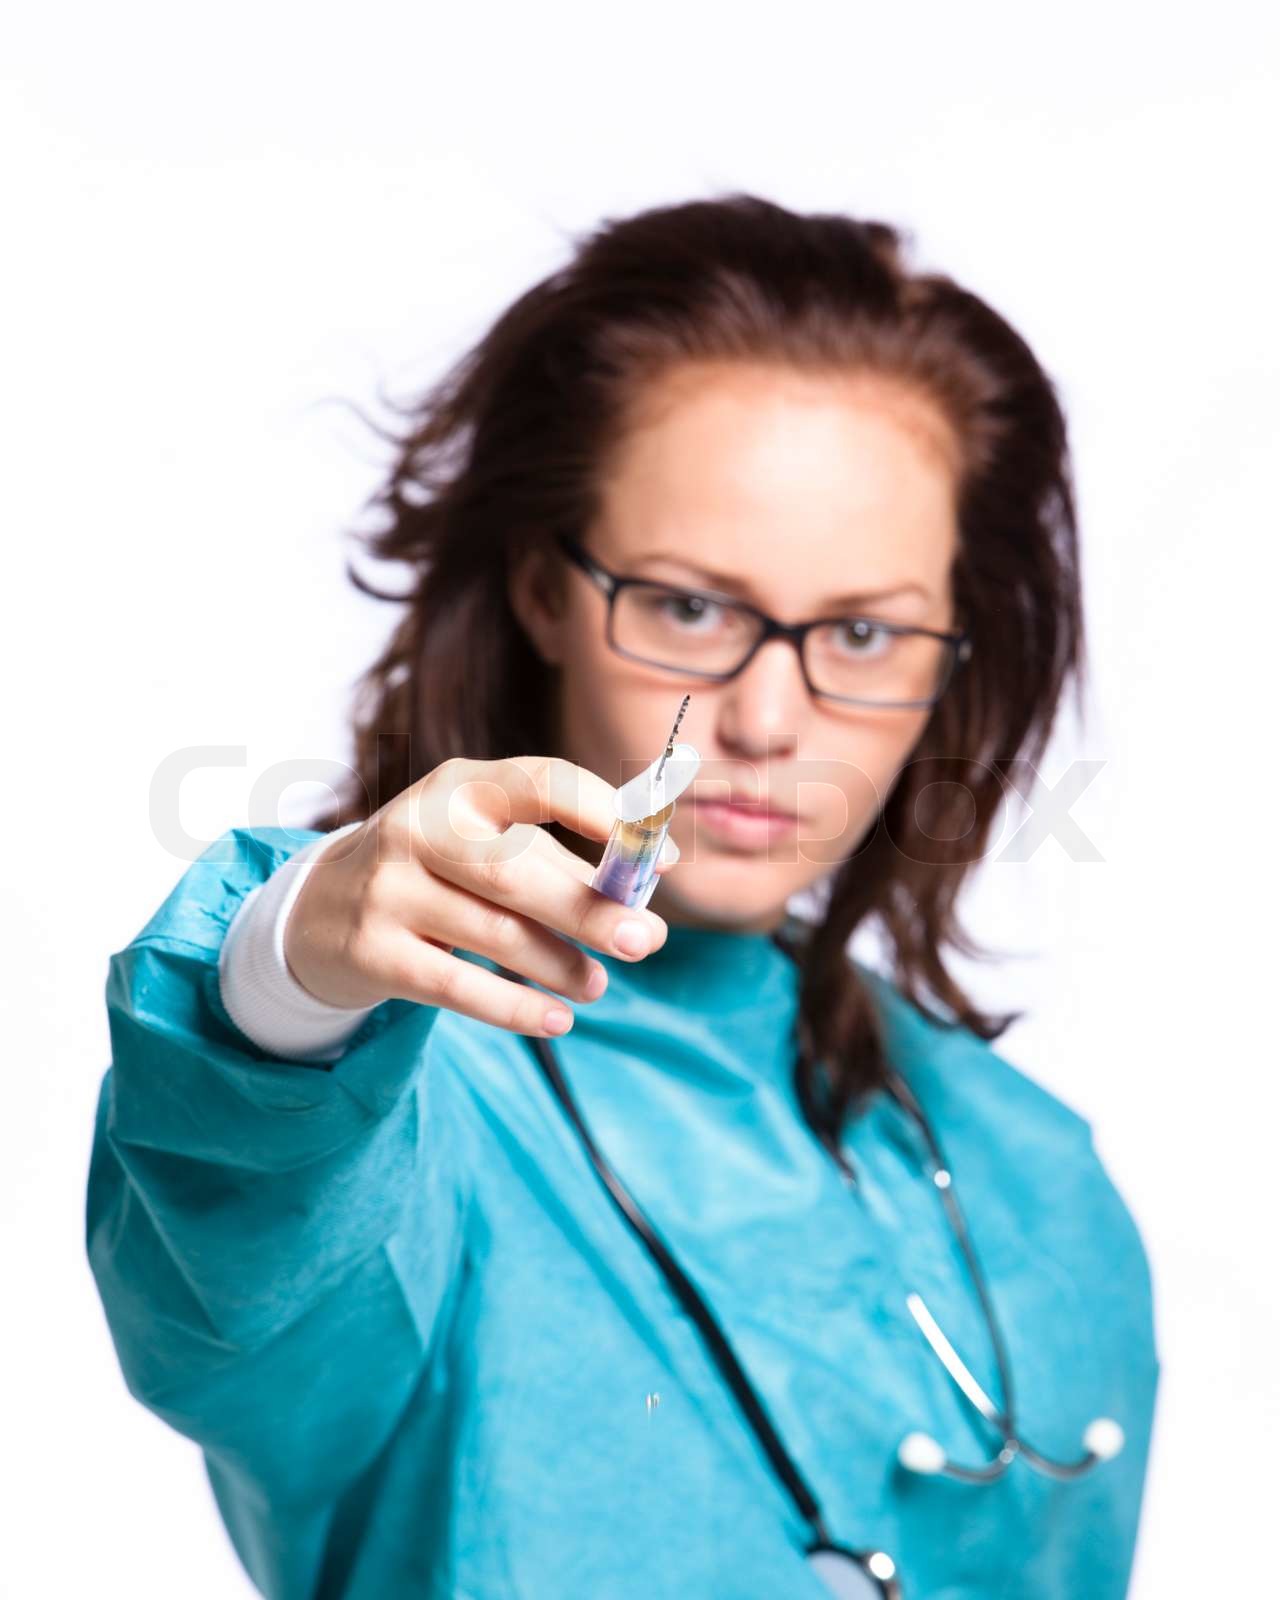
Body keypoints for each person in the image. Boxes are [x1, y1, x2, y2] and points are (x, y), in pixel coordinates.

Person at [86, 193, 1159, 1599]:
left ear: (957, 653)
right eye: (689, 607)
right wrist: (283, 977)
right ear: (544, 591)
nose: (766, 720)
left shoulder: (1032, 1172)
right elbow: (232, 1246)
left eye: (862, 631)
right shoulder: (419, 1111)